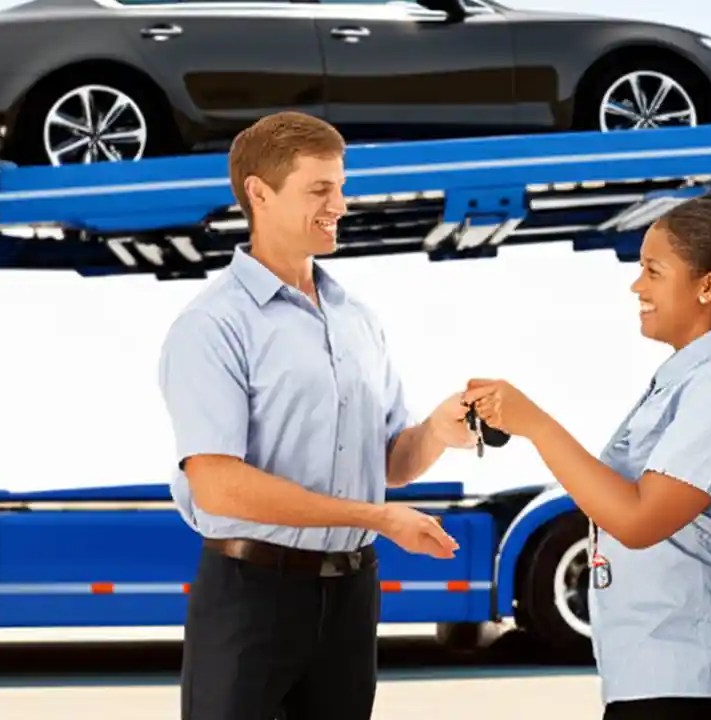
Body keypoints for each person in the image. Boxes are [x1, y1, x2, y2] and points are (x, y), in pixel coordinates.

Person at [462, 196, 711, 720]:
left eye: (653, 271)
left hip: (695, 679)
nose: (637, 286)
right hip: (660, 671)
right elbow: (615, 500)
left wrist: (536, 424)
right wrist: (519, 422)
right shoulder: (688, 380)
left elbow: (641, 519)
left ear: (707, 286)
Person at [157, 110, 477, 720]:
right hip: (251, 594)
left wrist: (436, 430)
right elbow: (217, 484)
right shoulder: (213, 326)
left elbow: (391, 463)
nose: (342, 205)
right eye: (320, 190)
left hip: (351, 596)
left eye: (341, 186)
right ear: (259, 193)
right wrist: (376, 517)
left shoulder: (358, 320)